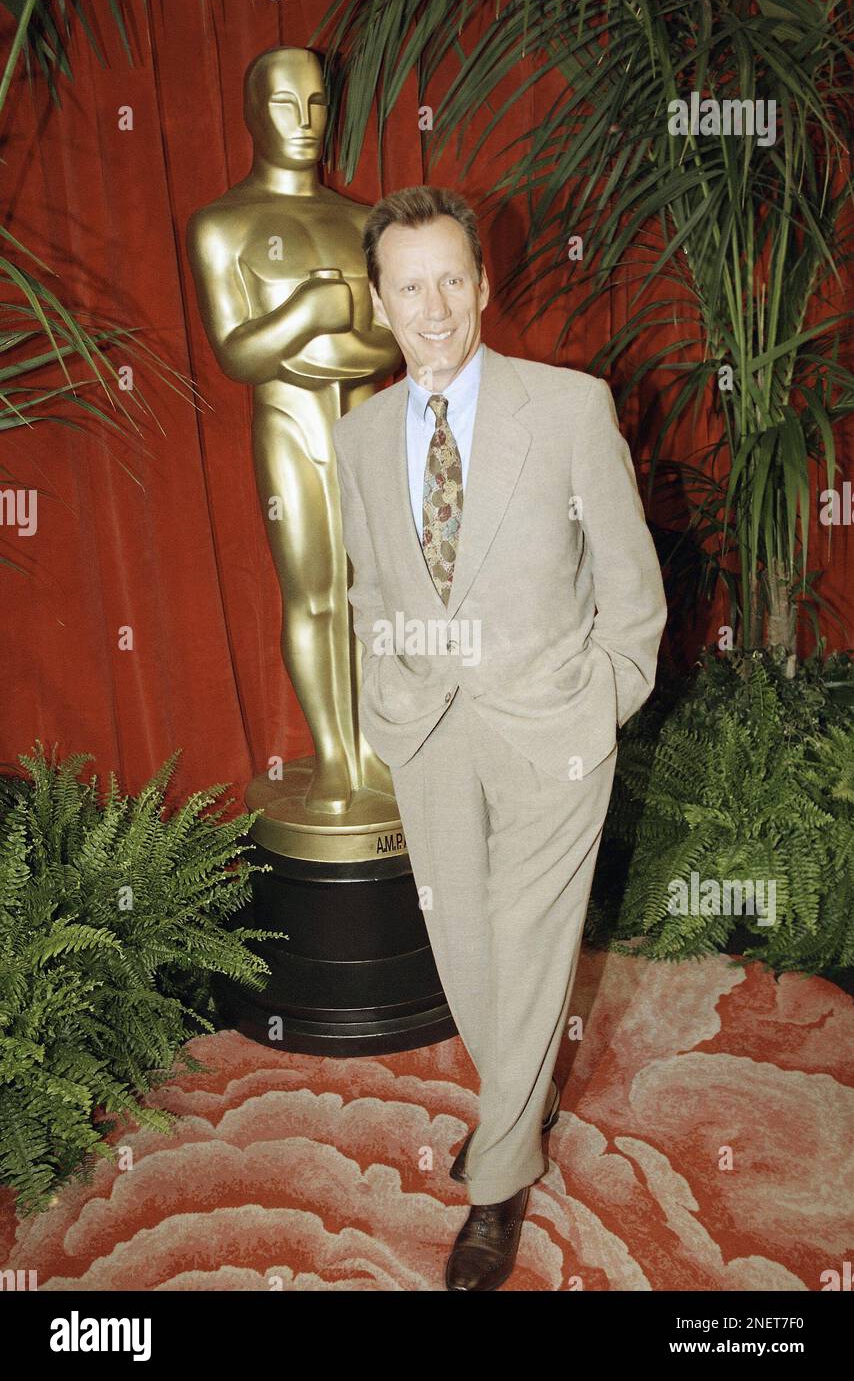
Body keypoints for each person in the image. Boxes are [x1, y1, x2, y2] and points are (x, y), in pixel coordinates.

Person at [331, 185, 668, 1291]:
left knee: (528, 952)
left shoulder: (566, 408)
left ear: (481, 284)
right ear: (378, 299)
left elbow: (631, 587)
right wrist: (385, 696)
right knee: (467, 955)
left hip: (550, 729)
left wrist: (601, 698)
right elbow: (370, 584)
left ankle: (497, 1182)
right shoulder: (359, 434)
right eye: (407, 286)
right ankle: (522, 1087)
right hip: (427, 731)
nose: (433, 307)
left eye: (450, 281)